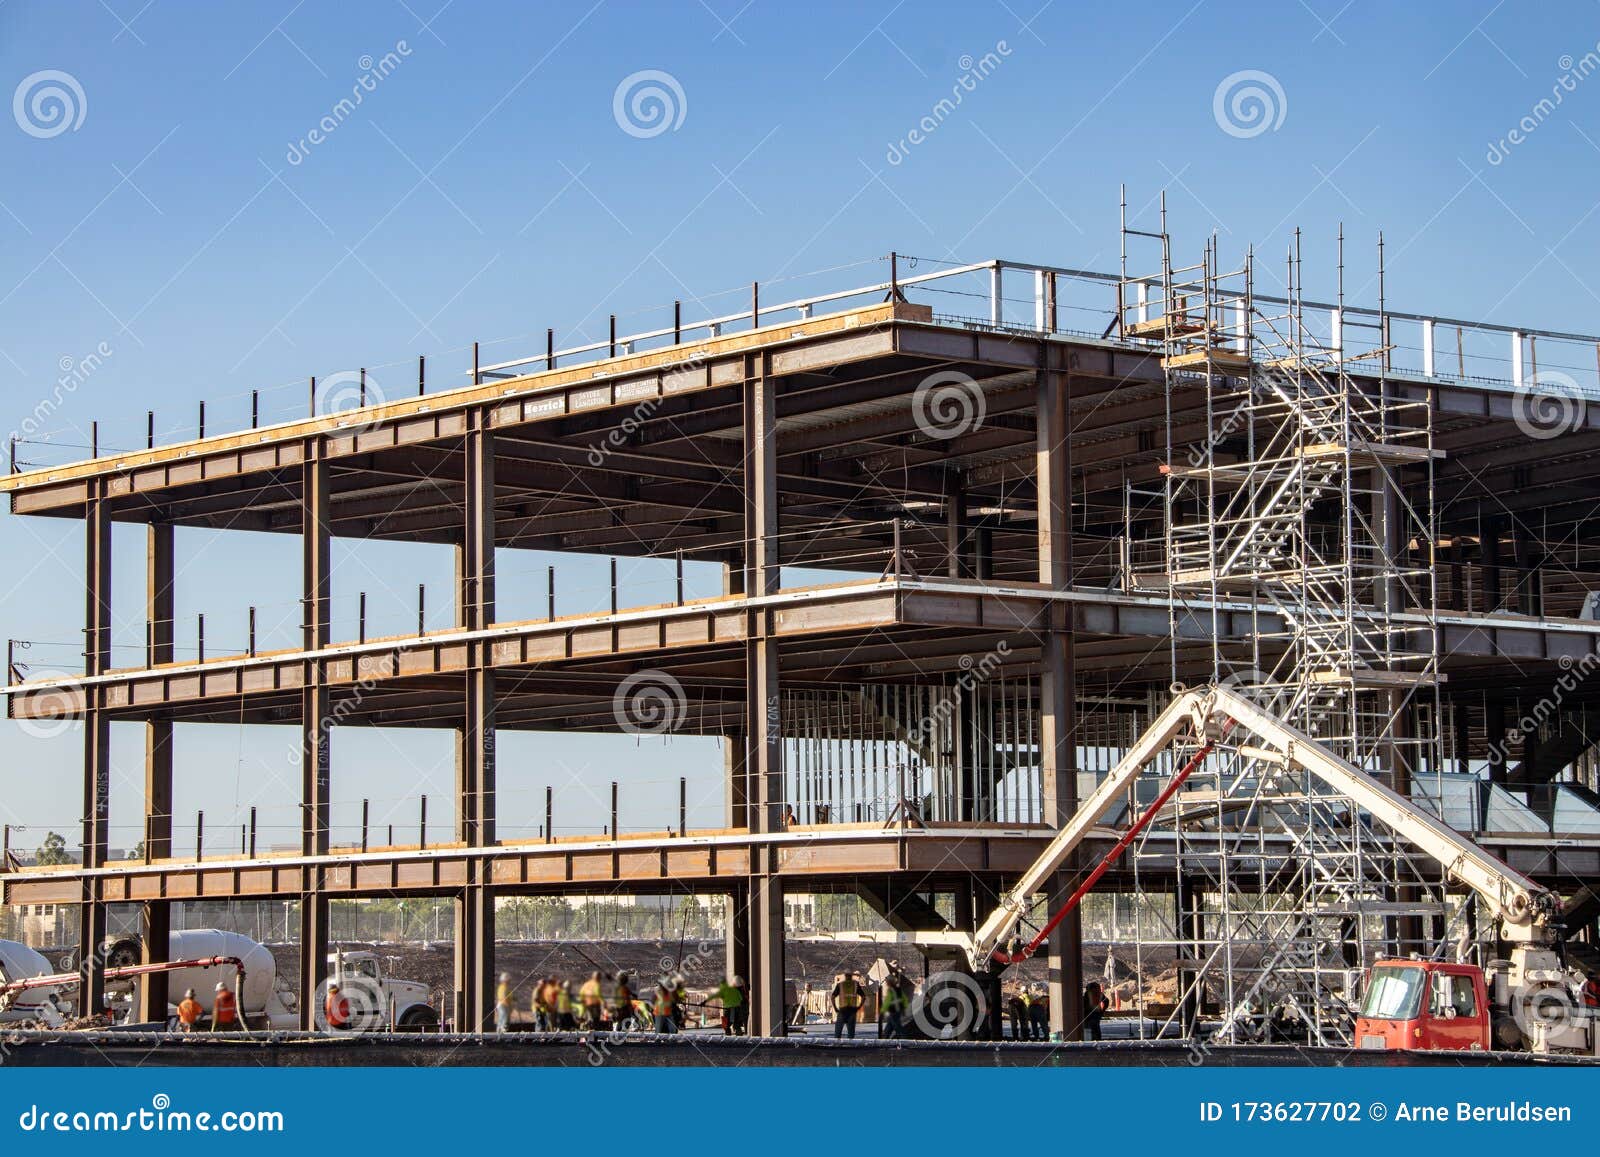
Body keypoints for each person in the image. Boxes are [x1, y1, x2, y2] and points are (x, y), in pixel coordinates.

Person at [832, 969, 864, 1039]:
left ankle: (836, 1046)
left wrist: (835, 1008)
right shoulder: (855, 984)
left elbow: (833, 997)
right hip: (852, 1010)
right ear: (851, 976)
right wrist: (859, 1007)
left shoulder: (840, 984)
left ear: (845, 975)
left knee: (838, 1032)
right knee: (851, 1034)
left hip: (842, 1010)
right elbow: (863, 996)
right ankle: (850, 1047)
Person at [880, 968, 909, 1039]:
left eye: (887, 981)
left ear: (889, 982)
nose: (886, 982)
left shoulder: (890, 990)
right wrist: (904, 1010)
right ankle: (884, 1038)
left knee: (897, 1027)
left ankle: (904, 1039)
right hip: (898, 1011)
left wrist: (882, 1012)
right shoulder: (899, 990)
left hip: (893, 1011)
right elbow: (905, 1000)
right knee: (889, 1027)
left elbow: (887, 1002)